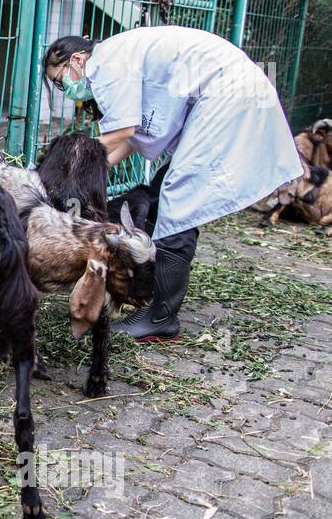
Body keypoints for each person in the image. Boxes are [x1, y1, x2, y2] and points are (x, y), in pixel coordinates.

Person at [42, 27, 302, 341]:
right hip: (231, 89)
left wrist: (67, 169)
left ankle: (161, 318)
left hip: (228, 94)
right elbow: (131, 139)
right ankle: (148, 291)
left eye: (60, 80)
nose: (64, 88)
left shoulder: (105, 64)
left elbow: (122, 131)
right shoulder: (116, 57)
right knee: (164, 188)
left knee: (179, 197)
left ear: (78, 59)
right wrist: (91, 168)